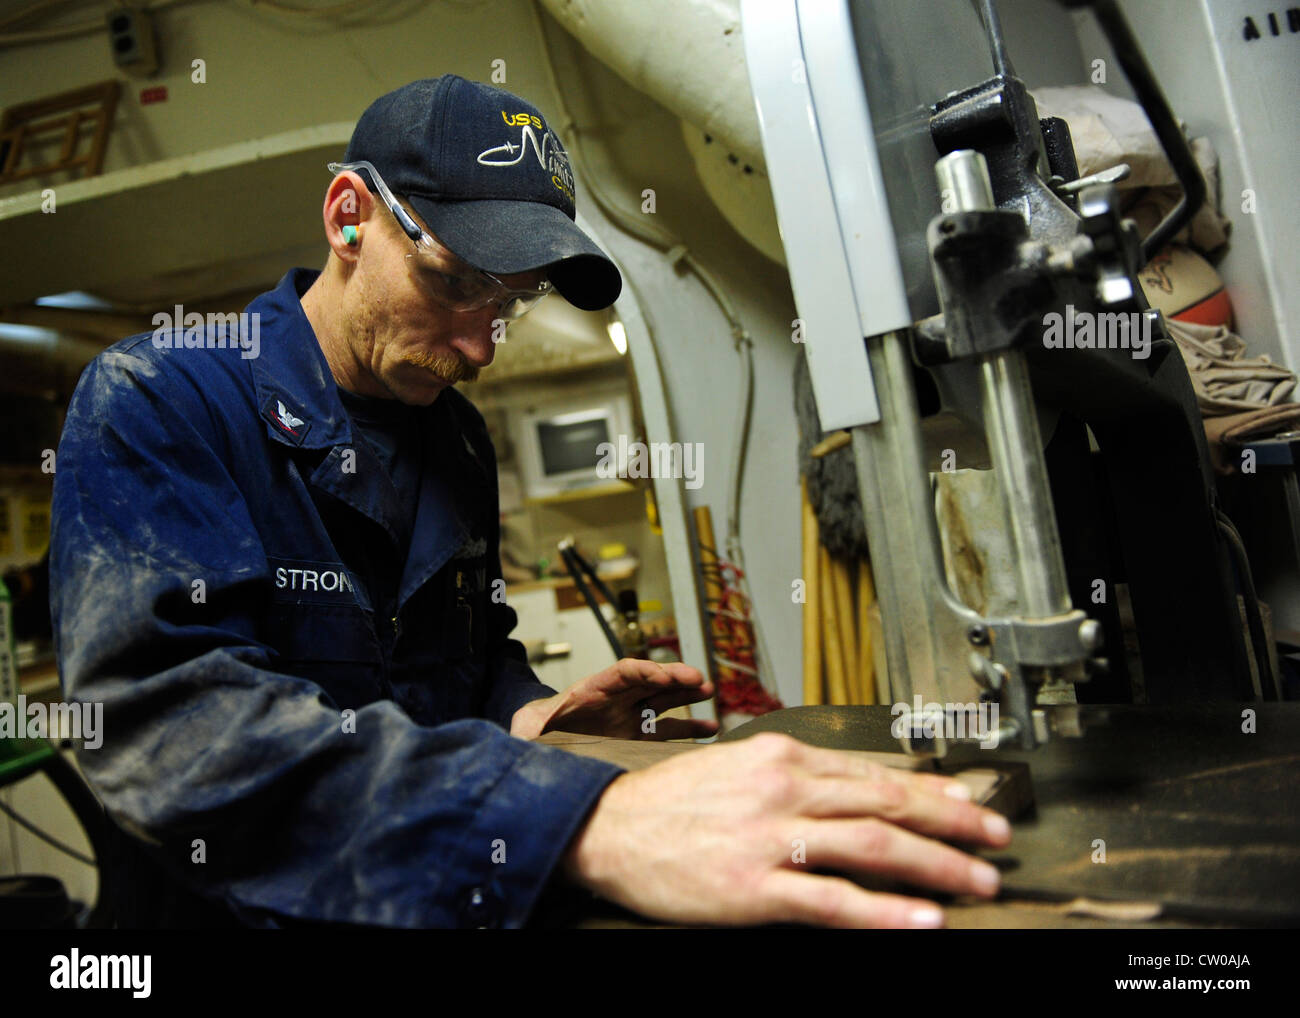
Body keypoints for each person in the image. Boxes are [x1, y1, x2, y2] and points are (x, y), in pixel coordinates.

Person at [50, 76, 1009, 930]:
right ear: (349, 217)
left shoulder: (457, 437)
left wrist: (530, 716)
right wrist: (580, 817)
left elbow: (470, 657)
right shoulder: (160, 398)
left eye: (509, 302)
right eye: (458, 283)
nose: (481, 347)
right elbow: (172, 729)